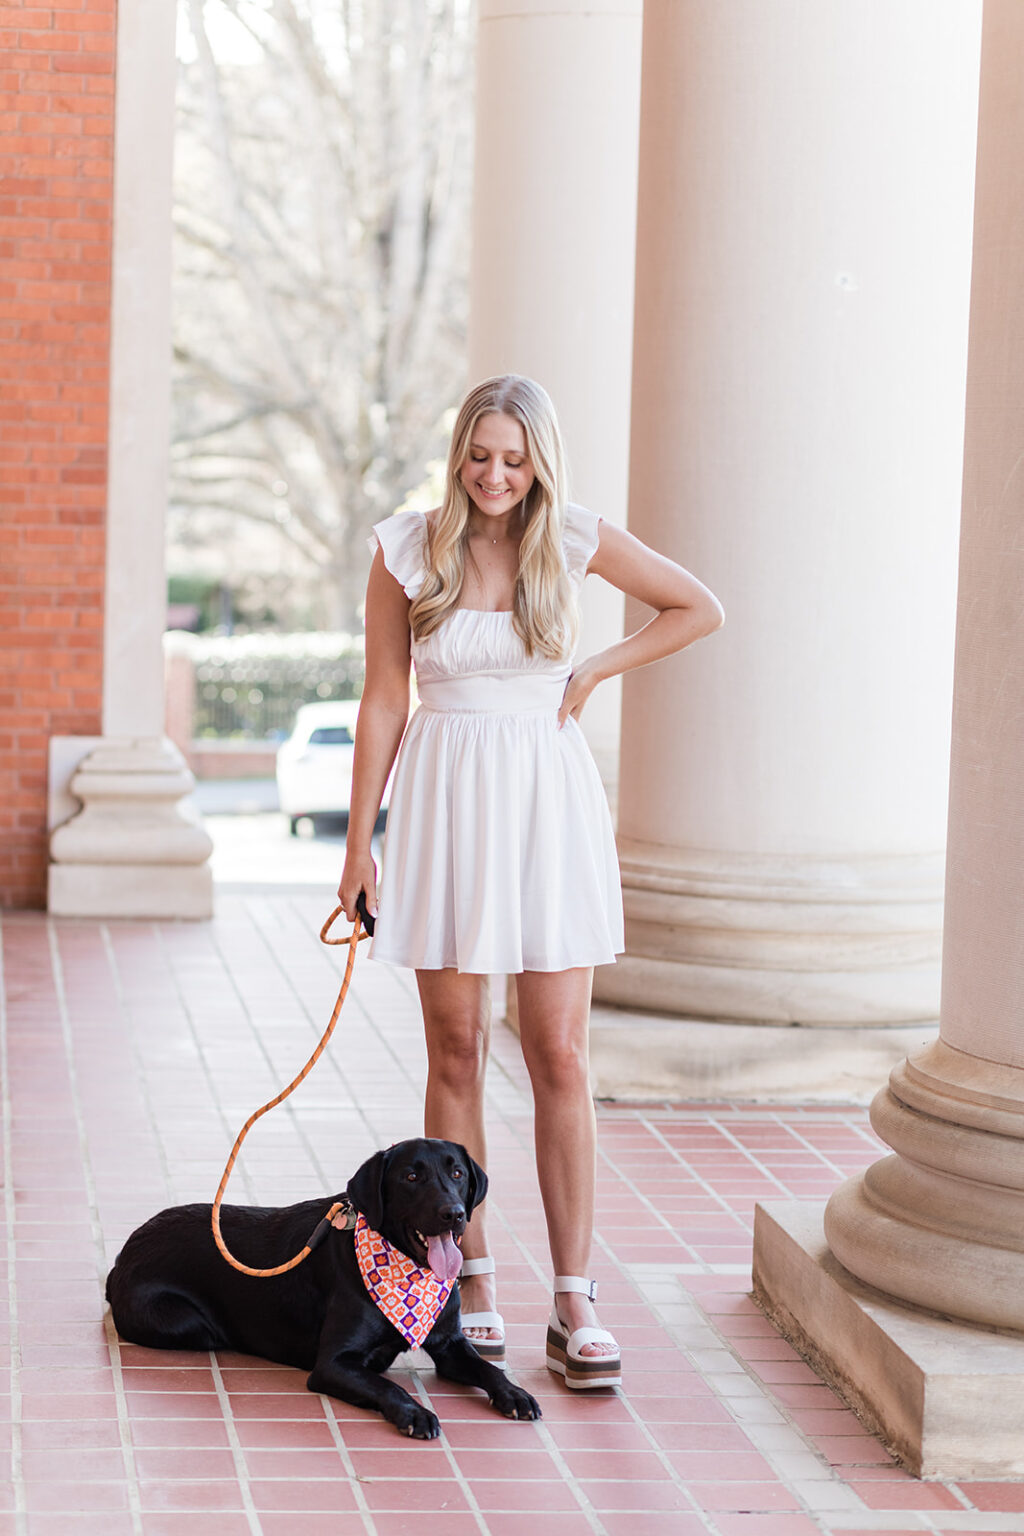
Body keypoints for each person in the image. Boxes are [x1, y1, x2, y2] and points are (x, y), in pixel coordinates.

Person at [338, 375, 723, 1387]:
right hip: (441, 803)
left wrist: (595, 670)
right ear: (458, 453)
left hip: (546, 807)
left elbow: (698, 607)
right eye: (480, 455)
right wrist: (357, 847)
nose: (495, 475)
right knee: (455, 1048)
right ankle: (466, 1282)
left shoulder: (577, 539)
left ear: (538, 462)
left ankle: (573, 1295)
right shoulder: (405, 547)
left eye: (514, 458)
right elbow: (384, 700)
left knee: (557, 1051)